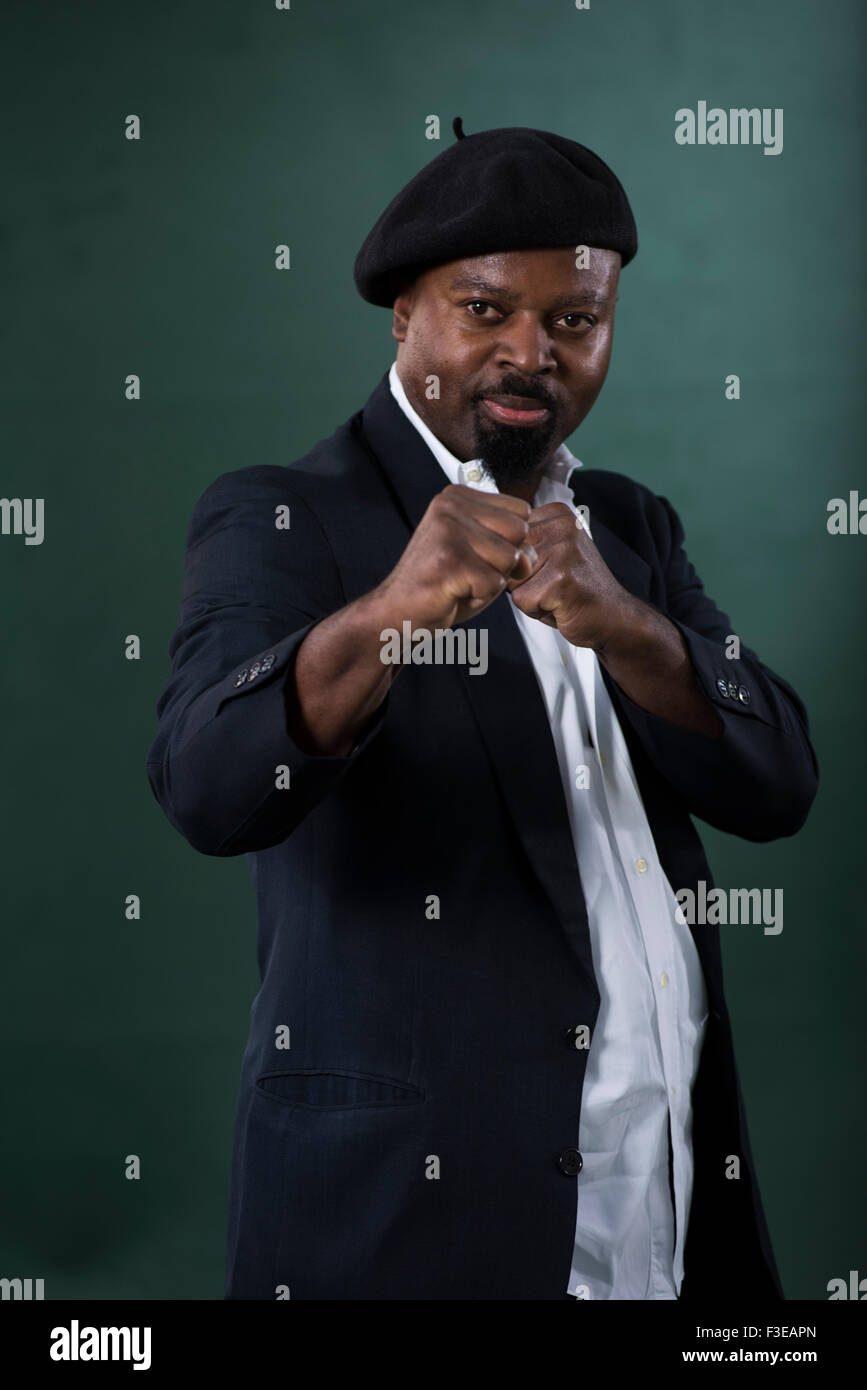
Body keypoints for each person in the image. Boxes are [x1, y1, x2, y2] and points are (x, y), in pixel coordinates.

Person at [146, 119, 818, 1300]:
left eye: (574, 321)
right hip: (411, 1228)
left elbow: (778, 783)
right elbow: (207, 783)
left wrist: (631, 627)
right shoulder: (286, 512)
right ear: (406, 315)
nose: (531, 353)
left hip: (655, 1210)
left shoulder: (634, 527)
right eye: (485, 311)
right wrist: (391, 612)